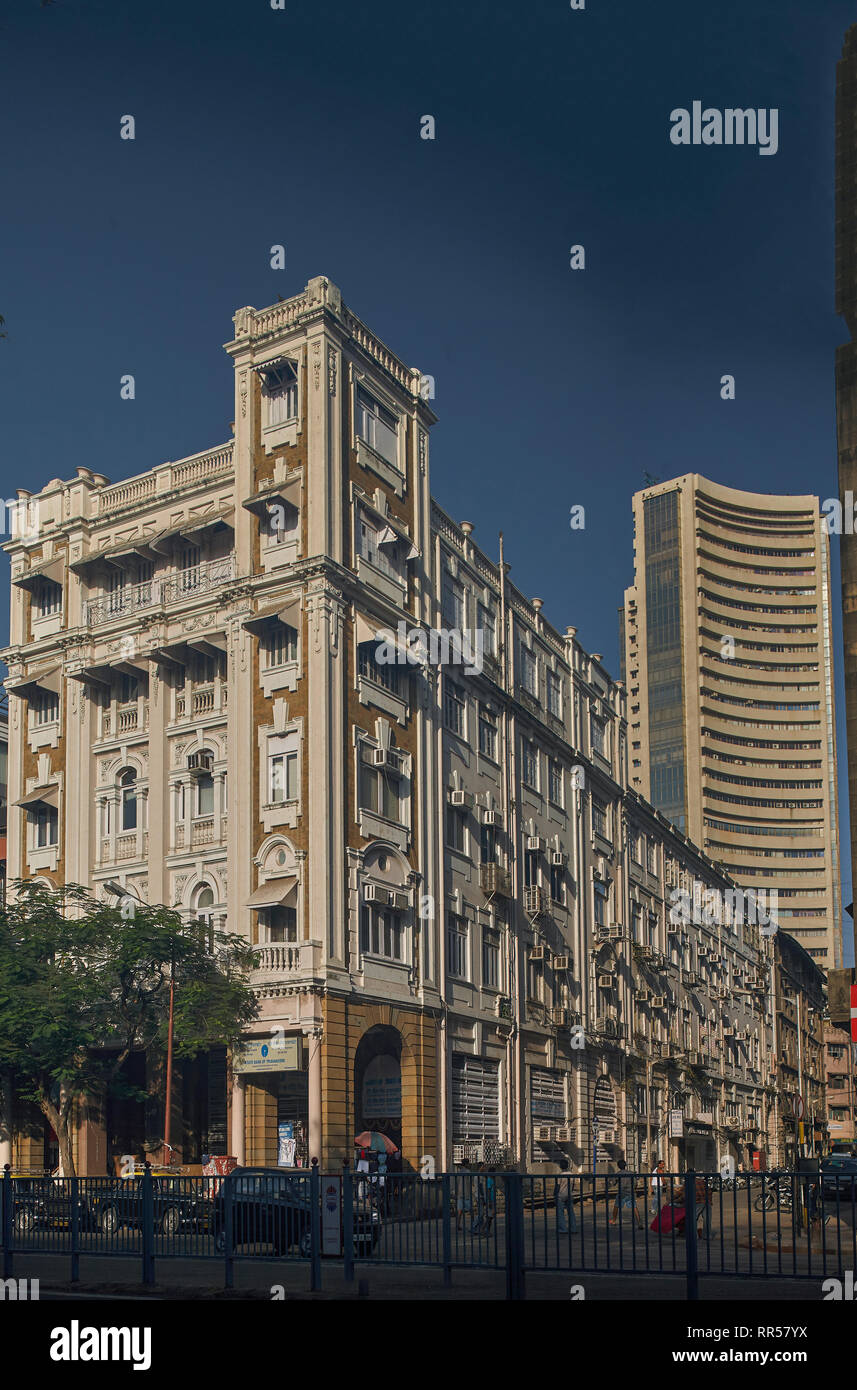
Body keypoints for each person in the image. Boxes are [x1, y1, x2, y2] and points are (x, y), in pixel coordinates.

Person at [610, 1159, 642, 1228]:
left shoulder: (618, 1174)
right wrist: (634, 1188)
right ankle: (639, 1222)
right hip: (630, 1192)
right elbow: (635, 1182)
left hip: (621, 1192)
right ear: (625, 1165)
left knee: (616, 1206)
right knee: (634, 1207)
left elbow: (613, 1183)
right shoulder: (631, 1173)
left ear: (618, 1166)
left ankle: (613, 1220)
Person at [554, 1161, 578, 1234]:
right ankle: (573, 1228)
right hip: (569, 1194)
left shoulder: (560, 1175)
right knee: (571, 1212)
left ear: (560, 1166)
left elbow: (557, 1186)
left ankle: (563, 1229)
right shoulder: (571, 1175)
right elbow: (573, 1185)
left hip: (561, 1195)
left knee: (560, 1212)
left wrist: (554, 1194)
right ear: (567, 1166)